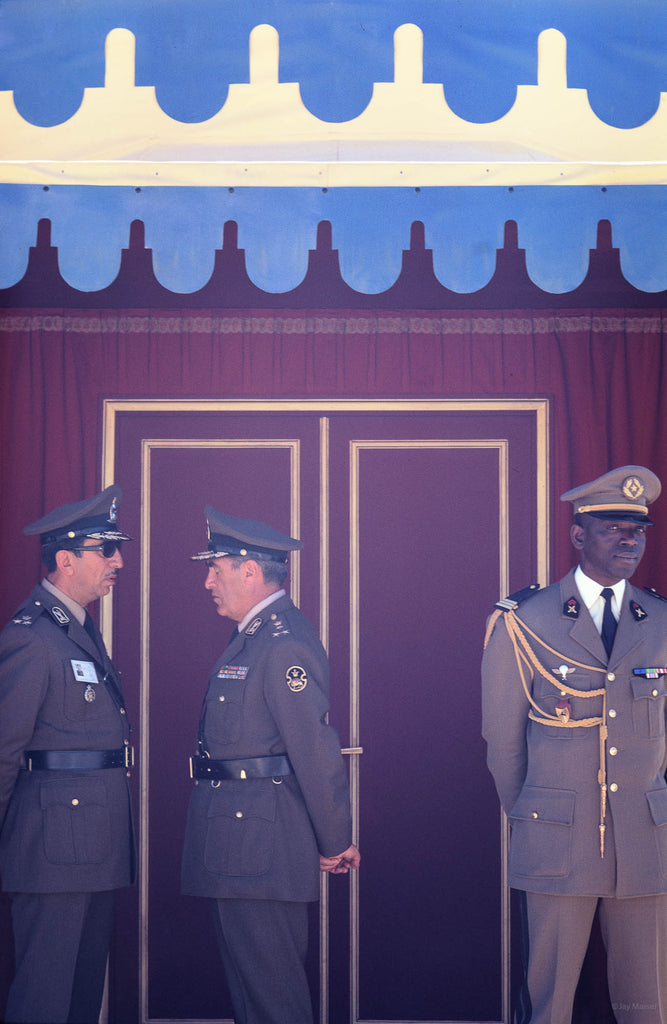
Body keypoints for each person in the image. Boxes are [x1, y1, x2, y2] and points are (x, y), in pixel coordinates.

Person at [482, 466, 667, 1024]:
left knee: (646, 1003)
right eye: (613, 527)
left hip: (645, 836)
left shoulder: (658, 619)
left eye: (638, 529)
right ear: (579, 535)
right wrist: (536, 814)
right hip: (557, 836)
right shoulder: (526, 620)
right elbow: (503, 740)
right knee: (550, 1002)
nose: (630, 540)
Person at [181, 507, 360, 1024]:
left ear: (250, 571)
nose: (208, 580)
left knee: (271, 994)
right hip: (240, 845)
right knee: (251, 994)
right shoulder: (256, 635)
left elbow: (313, 748)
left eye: (216, 568)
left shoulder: (282, 644)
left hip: (259, 847)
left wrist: (335, 840)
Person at [0, 486, 135, 1024]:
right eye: (106, 550)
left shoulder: (77, 629)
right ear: (65, 559)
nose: (118, 561)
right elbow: (5, 749)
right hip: (51, 851)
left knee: (79, 997)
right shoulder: (33, 637)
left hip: (91, 849)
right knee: (45, 997)